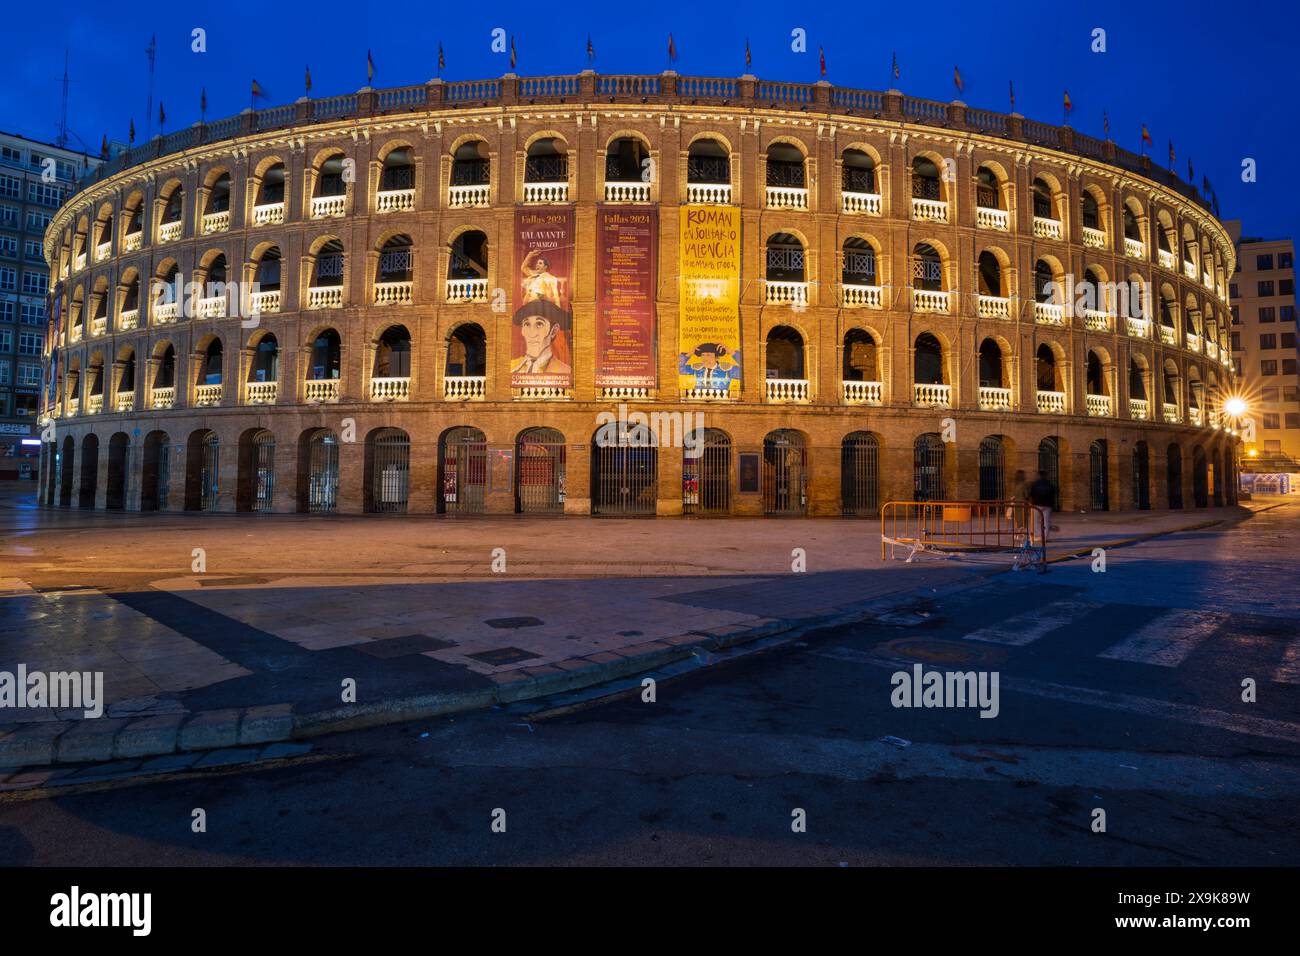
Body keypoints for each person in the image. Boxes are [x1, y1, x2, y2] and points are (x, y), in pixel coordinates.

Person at [511, 299, 572, 378]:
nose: (531, 333)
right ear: (522, 331)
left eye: (539, 324)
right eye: (527, 324)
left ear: (554, 331)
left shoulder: (564, 371)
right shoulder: (513, 367)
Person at [1026, 470, 1056, 569]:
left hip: (1037, 504)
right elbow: (1054, 493)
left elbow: (1031, 493)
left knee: (1034, 520)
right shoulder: (1049, 484)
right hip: (1047, 505)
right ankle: (1045, 537)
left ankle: (1038, 535)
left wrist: (1031, 501)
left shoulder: (1035, 484)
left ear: (1039, 476)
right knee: (1046, 521)